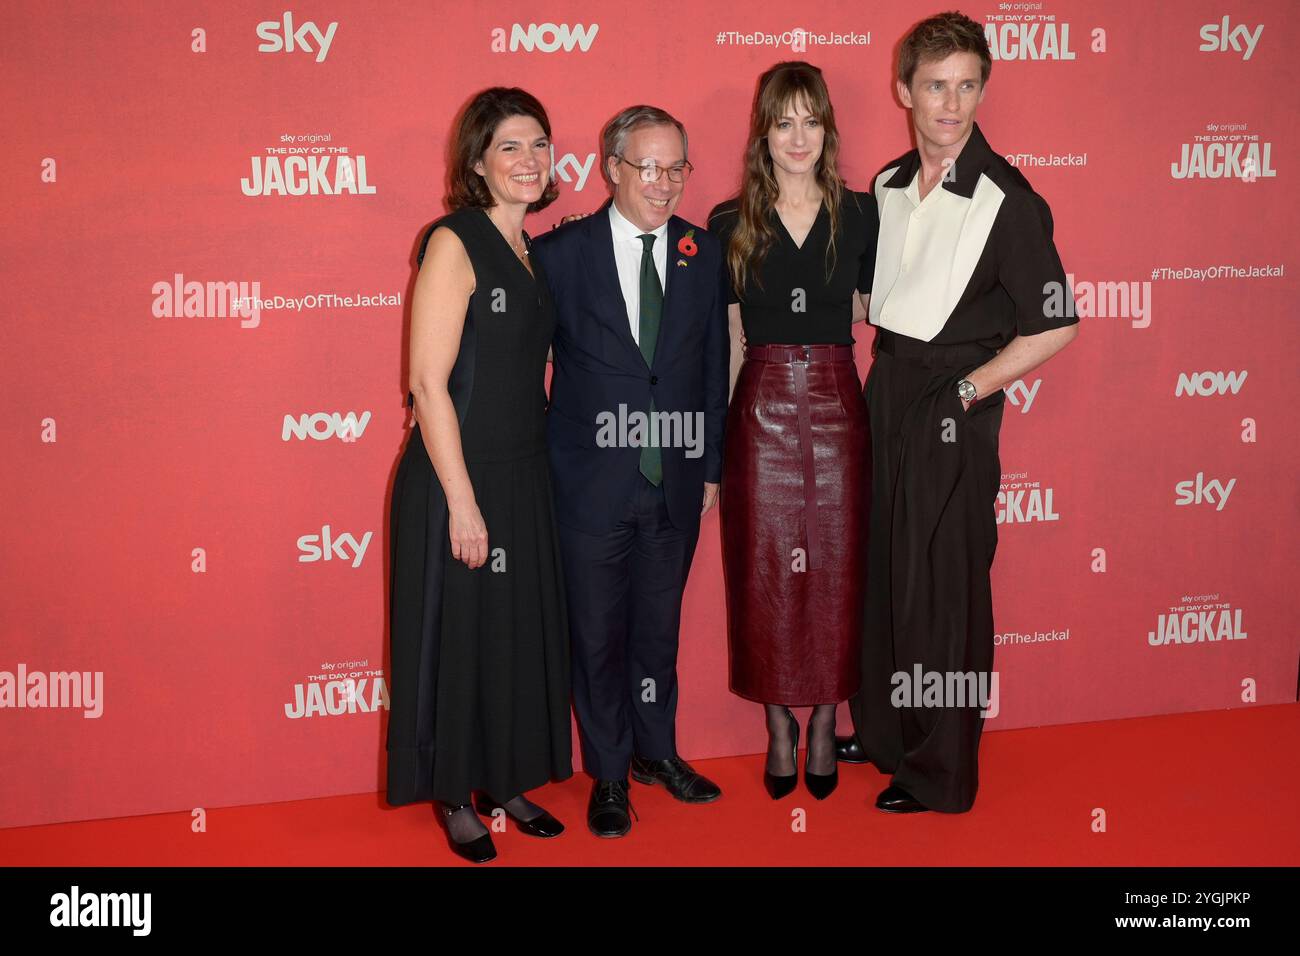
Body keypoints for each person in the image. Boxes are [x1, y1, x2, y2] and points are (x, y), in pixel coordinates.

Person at [838, 12, 1080, 813]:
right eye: (936, 85)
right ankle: (882, 734)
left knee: (943, 590)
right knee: (885, 571)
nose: (952, 103)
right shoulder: (888, 184)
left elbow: (1055, 322)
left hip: (954, 404)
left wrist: (972, 391)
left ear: (982, 89)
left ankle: (940, 772)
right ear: (904, 89)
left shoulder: (1010, 199)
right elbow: (883, 295)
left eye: (968, 85)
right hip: (888, 388)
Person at [530, 105, 730, 838]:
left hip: (673, 484)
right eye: (649, 165)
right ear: (612, 168)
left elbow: (712, 370)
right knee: (596, 636)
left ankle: (656, 753)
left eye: (678, 166)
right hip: (587, 486)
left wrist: (709, 467)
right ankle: (609, 775)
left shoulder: (702, 254)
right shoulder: (559, 255)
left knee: (658, 633)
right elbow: (526, 369)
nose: (665, 181)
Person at [385, 87, 573, 862]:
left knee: (511, 634)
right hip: (456, 479)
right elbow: (428, 384)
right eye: (510, 148)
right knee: (456, 637)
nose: (529, 161)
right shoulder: (454, 242)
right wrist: (462, 505)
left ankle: (506, 778)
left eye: (539, 144)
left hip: (525, 473)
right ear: (477, 162)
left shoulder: (535, 248)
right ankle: (454, 793)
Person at [707, 61, 877, 801]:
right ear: (764, 133)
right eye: (785, 121)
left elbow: (877, 309)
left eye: (812, 120)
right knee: (765, 568)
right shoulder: (727, 222)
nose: (799, 136)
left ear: (827, 129)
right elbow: (731, 336)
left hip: (840, 401)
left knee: (838, 569)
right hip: (763, 405)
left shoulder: (864, 213)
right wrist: (716, 440)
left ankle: (824, 720)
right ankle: (779, 719)